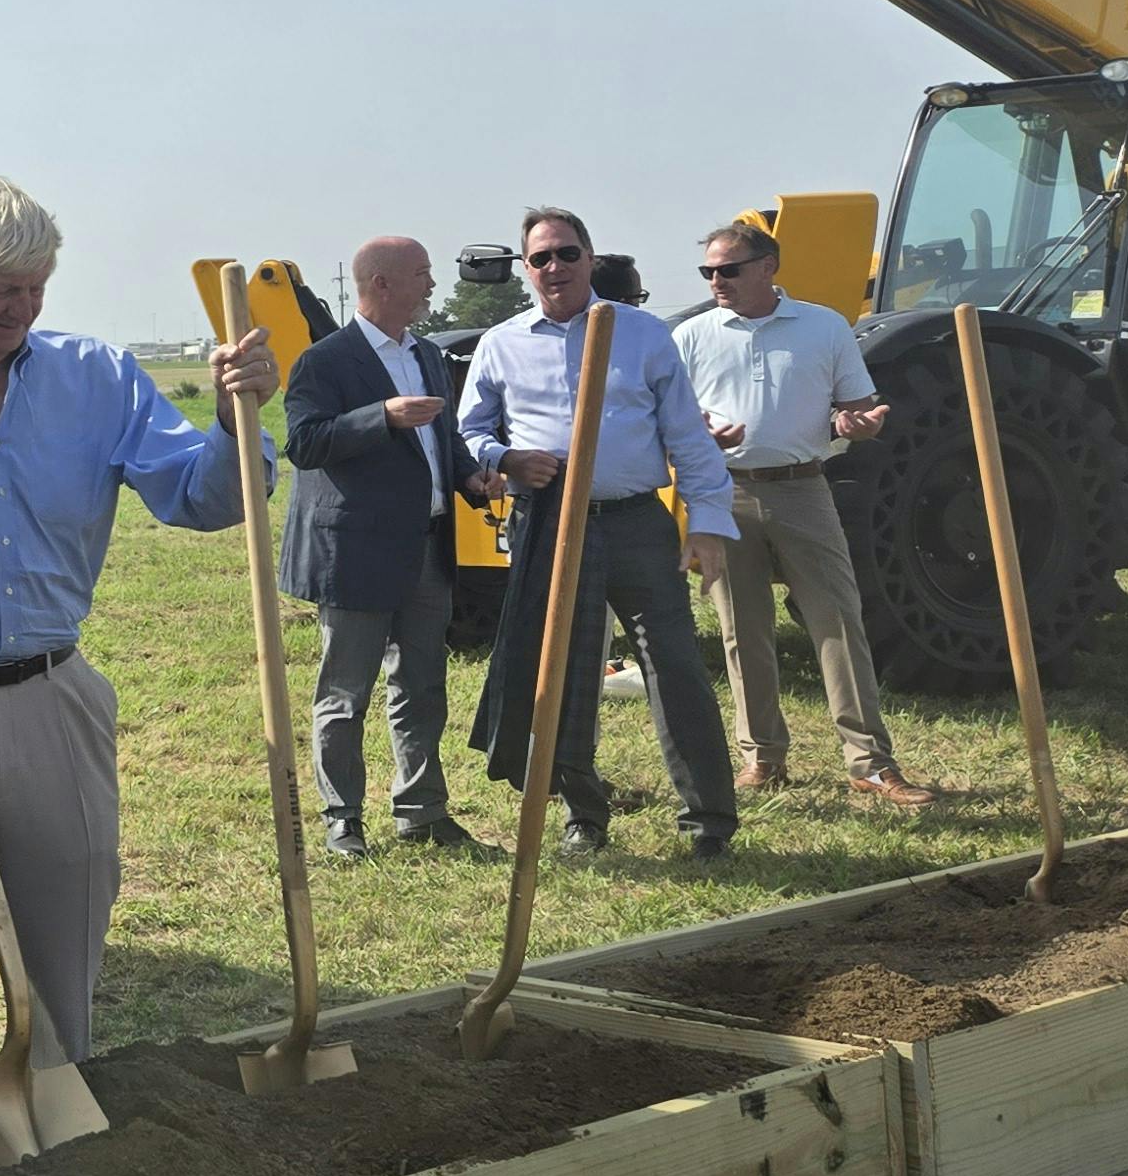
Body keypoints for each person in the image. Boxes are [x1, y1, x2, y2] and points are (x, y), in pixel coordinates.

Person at [0, 179, 268, 1098]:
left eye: (37, 287)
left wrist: (237, 423)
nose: (21, 309)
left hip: (51, 691)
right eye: (0, 287)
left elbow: (201, 497)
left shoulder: (97, 377)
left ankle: (58, 1106)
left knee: (71, 907)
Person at [459, 206, 741, 858]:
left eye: (566, 253)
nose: (554, 267)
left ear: (589, 258)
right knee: (561, 674)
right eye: (540, 258)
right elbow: (469, 433)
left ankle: (710, 825)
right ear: (526, 271)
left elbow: (688, 438)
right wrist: (503, 459)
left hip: (636, 521)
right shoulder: (503, 344)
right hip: (551, 524)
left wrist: (708, 523)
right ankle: (584, 817)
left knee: (675, 669)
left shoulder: (641, 335)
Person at [674, 220, 931, 805]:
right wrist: (698, 433)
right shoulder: (691, 336)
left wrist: (857, 425)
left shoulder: (825, 326)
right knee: (743, 631)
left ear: (768, 267)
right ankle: (761, 758)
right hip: (724, 493)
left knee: (838, 621)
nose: (717, 281)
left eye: (728, 270)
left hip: (804, 488)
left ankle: (869, 763)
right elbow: (667, 418)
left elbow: (857, 407)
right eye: (708, 271)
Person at [280, 236, 502, 859]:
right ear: (381, 283)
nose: (432, 284)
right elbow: (305, 443)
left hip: (427, 548)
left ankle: (422, 810)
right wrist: (382, 415)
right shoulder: (325, 361)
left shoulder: (429, 356)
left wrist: (470, 478)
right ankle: (342, 819)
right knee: (344, 692)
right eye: (422, 274)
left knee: (423, 685)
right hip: (355, 554)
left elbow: (446, 441)